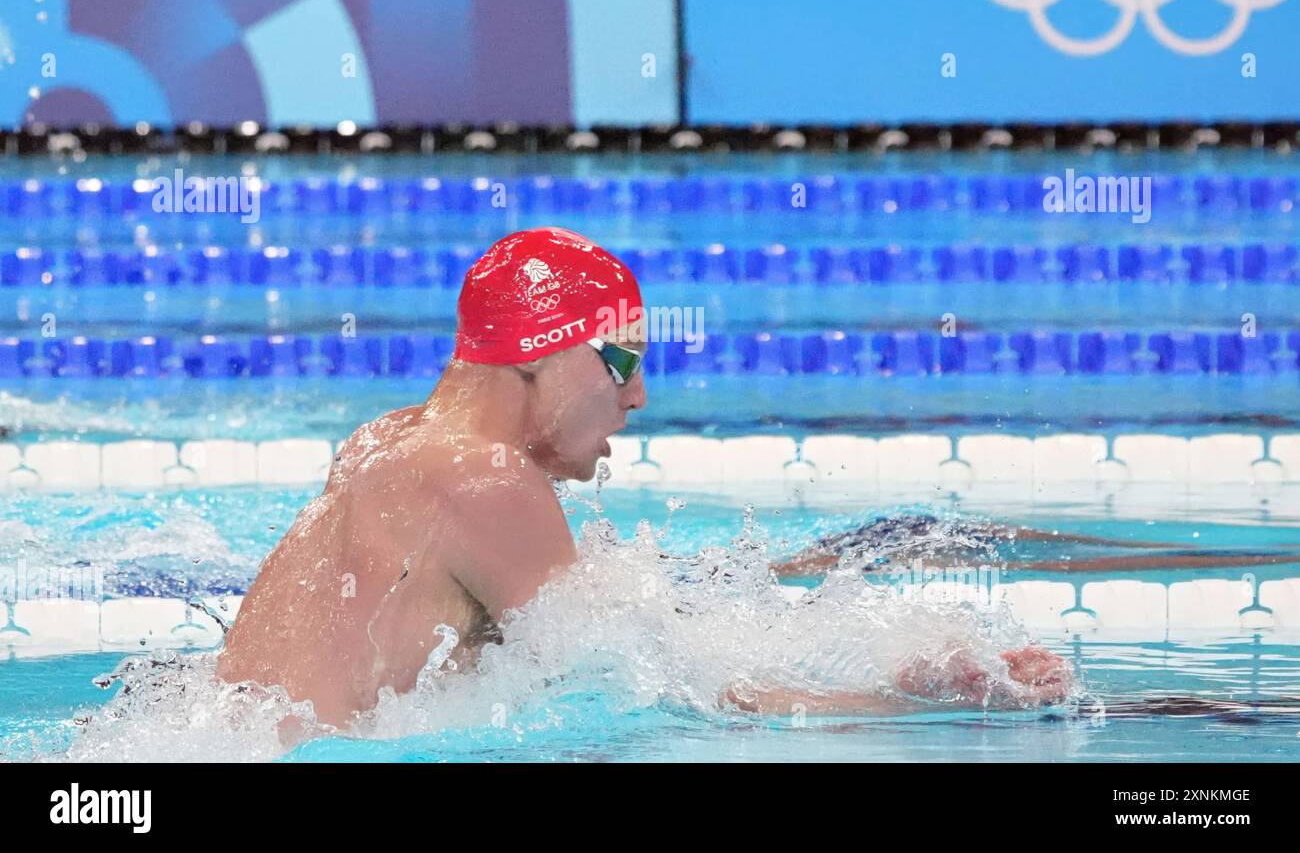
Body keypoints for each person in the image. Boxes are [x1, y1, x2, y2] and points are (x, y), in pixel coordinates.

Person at [216, 227, 1070, 730]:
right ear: (541, 351)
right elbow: (670, 695)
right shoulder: (481, 478)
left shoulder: (388, 441)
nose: (638, 394)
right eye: (621, 359)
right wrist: (923, 700)